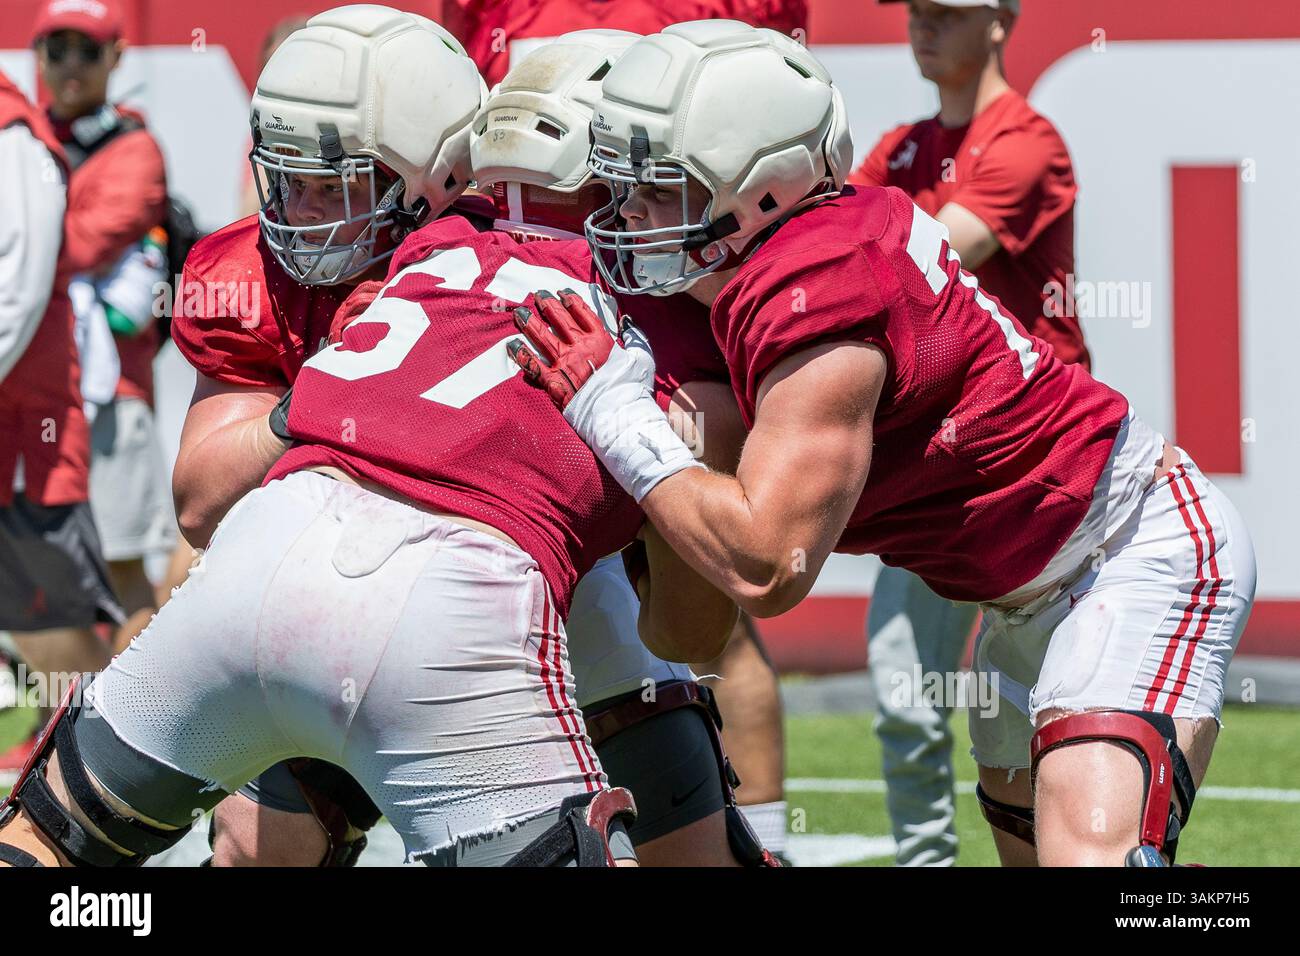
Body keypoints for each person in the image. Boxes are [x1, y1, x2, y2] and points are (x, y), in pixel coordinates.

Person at [0, 7, 736, 870]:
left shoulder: (499, 250)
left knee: (682, 817)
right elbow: (201, 502)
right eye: (288, 177)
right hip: (393, 554)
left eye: (335, 184)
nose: (299, 212)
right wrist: (319, 398)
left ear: (440, 180)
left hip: (536, 564)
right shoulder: (261, 271)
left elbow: (700, 610)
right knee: (257, 841)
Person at [512, 19, 1256, 866]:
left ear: (762, 188)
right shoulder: (776, 248)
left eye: (662, 189)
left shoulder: (816, 285)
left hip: (1127, 549)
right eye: (623, 186)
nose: (626, 217)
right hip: (1019, 597)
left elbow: (767, 565)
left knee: (1094, 862)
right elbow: (692, 635)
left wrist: (617, 415)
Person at [444, 0, 805, 855]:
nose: (644, 207)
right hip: (463, 598)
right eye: (630, 185)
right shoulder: (672, 317)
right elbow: (702, 616)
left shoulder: (425, 257)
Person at [849, 0, 1086, 865]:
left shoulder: (1026, 139)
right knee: (907, 698)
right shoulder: (900, 147)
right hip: (933, 469)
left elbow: (930, 258)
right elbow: (845, 245)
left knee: (1044, 710)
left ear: (1000, 21)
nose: (922, 25)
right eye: (916, 10)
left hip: (1032, 472)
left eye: (945, 11)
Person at [33, 0, 174, 655]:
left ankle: (130, 747)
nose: (70, 65)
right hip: (34, 397)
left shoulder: (135, 146)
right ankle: (74, 738)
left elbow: (70, 247)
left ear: (115, 57)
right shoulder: (24, 139)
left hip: (110, 398)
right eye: (56, 48)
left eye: (87, 50)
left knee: (123, 580)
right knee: (35, 582)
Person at [0, 67, 119, 776]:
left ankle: (117, 764)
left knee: (51, 619)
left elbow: (14, 287)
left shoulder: (14, 139)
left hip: (26, 437)